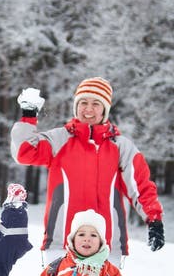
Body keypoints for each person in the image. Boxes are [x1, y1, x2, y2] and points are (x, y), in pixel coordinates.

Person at [11, 77, 164, 265]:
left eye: (96, 104)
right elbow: (24, 153)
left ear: (105, 109)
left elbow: (140, 185)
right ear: (76, 107)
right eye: (83, 102)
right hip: (61, 243)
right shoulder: (59, 139)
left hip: (107, 245)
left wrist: (154, 219)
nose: (88, 109)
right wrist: (28, 115)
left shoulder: (121, 147)